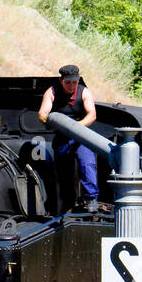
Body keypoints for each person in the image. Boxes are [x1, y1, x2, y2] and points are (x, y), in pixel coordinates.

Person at [38, 65, 100, 213]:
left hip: (82, 135)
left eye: (74, 82)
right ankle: (68, 203)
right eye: (68, 82)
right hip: (62, 136)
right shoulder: (51, 91)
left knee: (87, 163)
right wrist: (56, 124)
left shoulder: (84, 92)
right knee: (64, 172)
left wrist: (75, 127)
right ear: (61, 80)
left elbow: (92, 114)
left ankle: (90, 198)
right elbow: (42, 114)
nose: (72, 85)